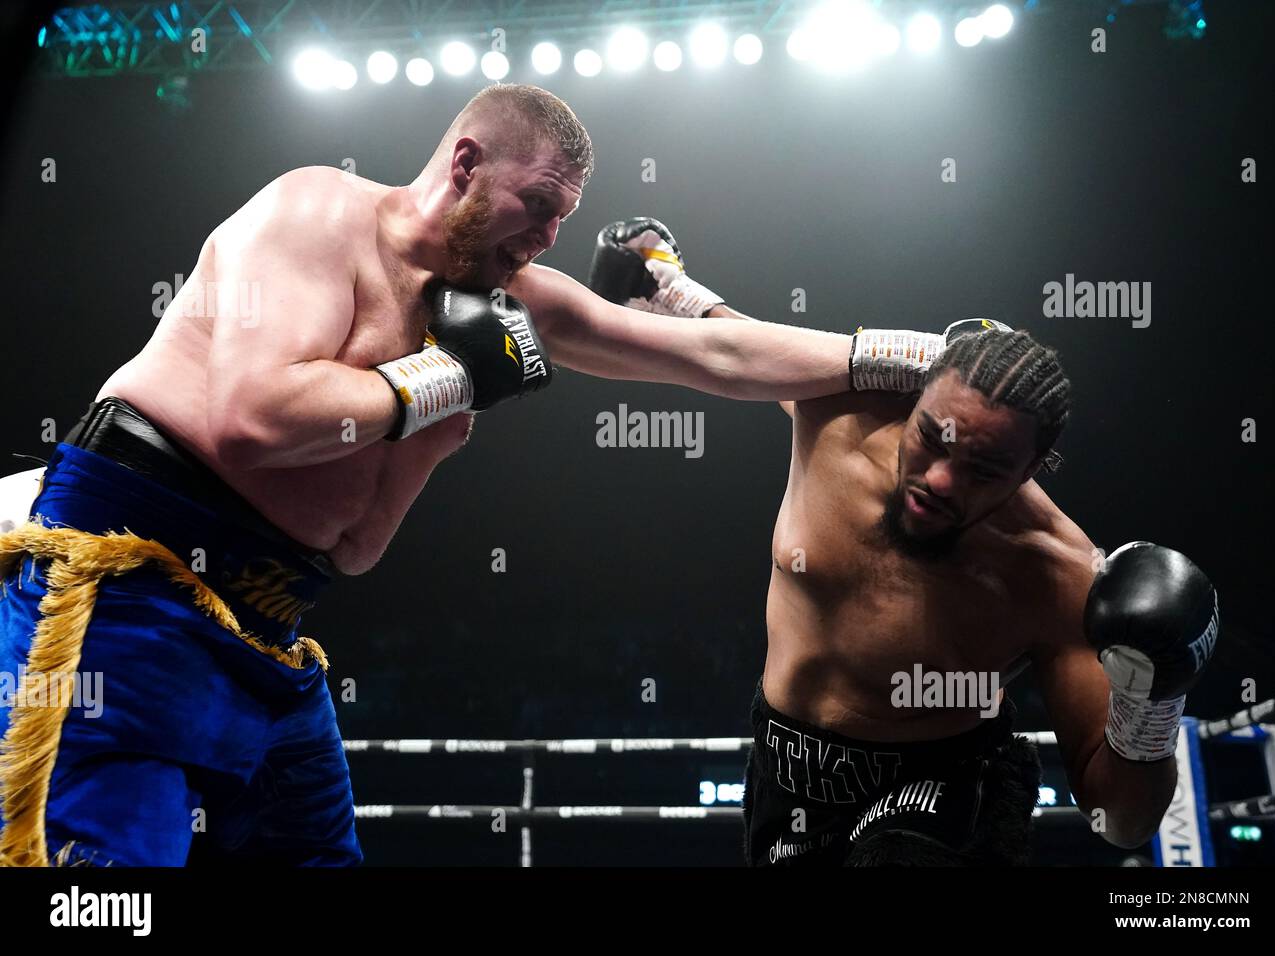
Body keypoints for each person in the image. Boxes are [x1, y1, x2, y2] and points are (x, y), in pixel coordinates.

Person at [0, 85, 867, 867]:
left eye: (564, 219)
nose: (547, 237)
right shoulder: (318, 213)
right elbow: (249, 418)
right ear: (465, 165)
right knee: (104, 881)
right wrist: (447, 379)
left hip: (269, 628)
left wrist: (914, 358)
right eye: (537, 205)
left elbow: (716, 352)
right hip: (128, 592)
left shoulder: (508, 298)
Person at [589, 217, 1220, 865]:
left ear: (1031, 471)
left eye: (983, 469)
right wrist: (661, 282)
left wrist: (1154, 704)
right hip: (787, 770)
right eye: (933, 438)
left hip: (940, 783)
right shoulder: (836, 417)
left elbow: (1119, 820)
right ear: (913, 404)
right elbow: (734, 342)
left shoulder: (1056, 575)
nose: (941, 480)